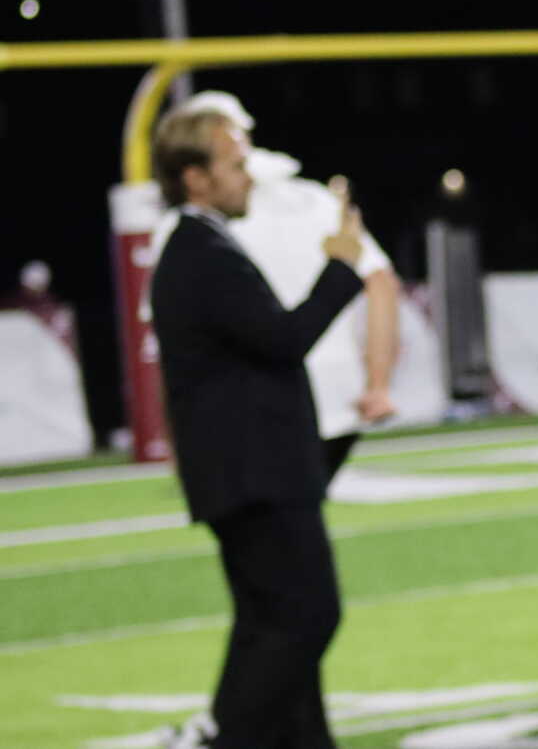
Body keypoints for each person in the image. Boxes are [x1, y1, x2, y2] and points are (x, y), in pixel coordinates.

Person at [149, 107, 365, 749]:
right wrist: (340, 267)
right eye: (236, 164)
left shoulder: (201, 245)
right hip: (257, 474)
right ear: (195, 177)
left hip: (246, 471)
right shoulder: (200, 250)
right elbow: (283, 339)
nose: (248, 178)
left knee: (269, 624)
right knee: (305, 619)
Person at [168, 91, 400, 480]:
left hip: (254, 413)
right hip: (336, 398)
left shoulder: (191, 230)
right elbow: (380, 281)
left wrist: (177, 435)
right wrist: (378, 384)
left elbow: (173, 341)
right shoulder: (315, 199)